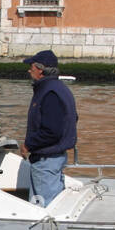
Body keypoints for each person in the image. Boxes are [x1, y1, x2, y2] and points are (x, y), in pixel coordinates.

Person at [19, 49, 77, 207]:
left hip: (47, 161)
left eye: (32, 66)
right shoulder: (60, 88)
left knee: (46, 208)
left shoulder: (49, 93)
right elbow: (72, 119)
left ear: (40, 69)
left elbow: (52, 131)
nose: (29, 69)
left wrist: (28, 145)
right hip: (54, 157)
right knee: (50, 202)